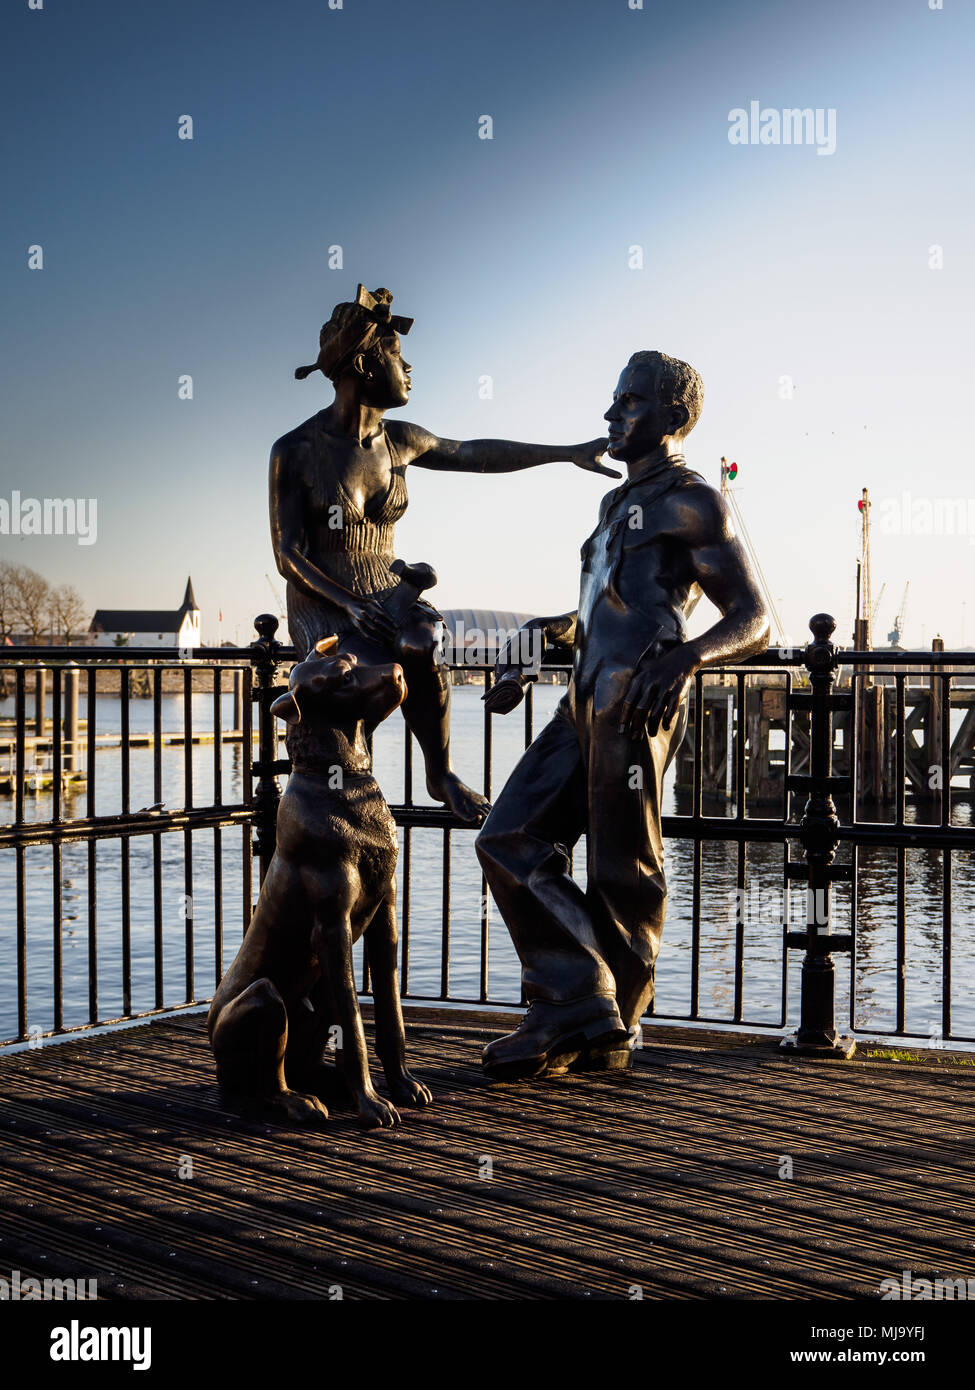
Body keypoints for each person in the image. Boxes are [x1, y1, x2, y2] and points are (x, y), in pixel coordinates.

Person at [475, 350, 770, 1078]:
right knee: (506, 836)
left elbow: (756, 617)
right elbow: (595, 613)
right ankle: (579, 999)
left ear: (673, 417)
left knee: (623, 868)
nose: (611, 415)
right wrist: (531, 649)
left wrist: (687, 658)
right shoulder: (614, 504)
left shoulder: (693, 500)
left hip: (636, 695)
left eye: (629, 402)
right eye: (612, 400)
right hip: (582, 696)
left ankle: (605, 1028)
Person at [270, 285, 617, 824]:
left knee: (423, 641)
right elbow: (288, 555)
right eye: (397, 357)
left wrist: (568, 453)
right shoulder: (294, 451)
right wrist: (350, 603)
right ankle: (332, 793)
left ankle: (440, 772)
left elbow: (476, 453)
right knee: (354, 677)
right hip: (327, 601)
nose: (409, 369)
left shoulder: (400, 441)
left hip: (388, 594)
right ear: (363, 363)